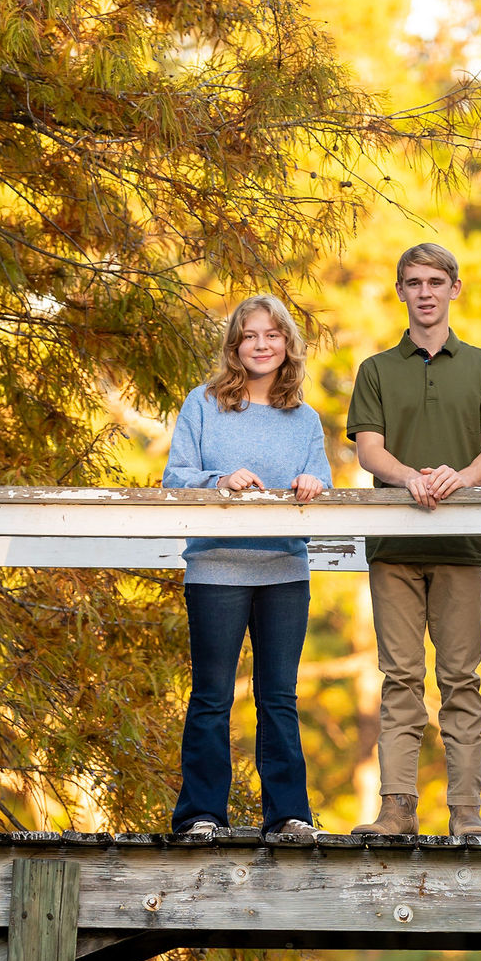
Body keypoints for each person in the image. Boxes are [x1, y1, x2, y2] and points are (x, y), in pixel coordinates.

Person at [346, 243, 481, 841]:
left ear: (454, 289)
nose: (425, 292)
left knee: (461, 680)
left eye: (436, 281)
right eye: (414, 282)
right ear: (401, 291)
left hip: (462, 545)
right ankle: (396, 811)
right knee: (399, 679)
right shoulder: (375, 370)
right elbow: (368, 449)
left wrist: (459, 478)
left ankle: (466, 815)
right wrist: (411, 477)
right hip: (394, 545)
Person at [163, 293, 331, 847]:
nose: (262, 345)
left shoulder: (304, 418)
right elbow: (176, 477)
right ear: (236, 346)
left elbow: (321, 480)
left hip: (284, 567)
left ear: (288, 346)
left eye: (272, 335)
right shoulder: (203, 405)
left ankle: (288, 816)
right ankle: (201, 816)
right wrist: (220, 480)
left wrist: (313, 486)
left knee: (278, 695)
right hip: (216, 566)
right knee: (212, 694)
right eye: (250, 336)